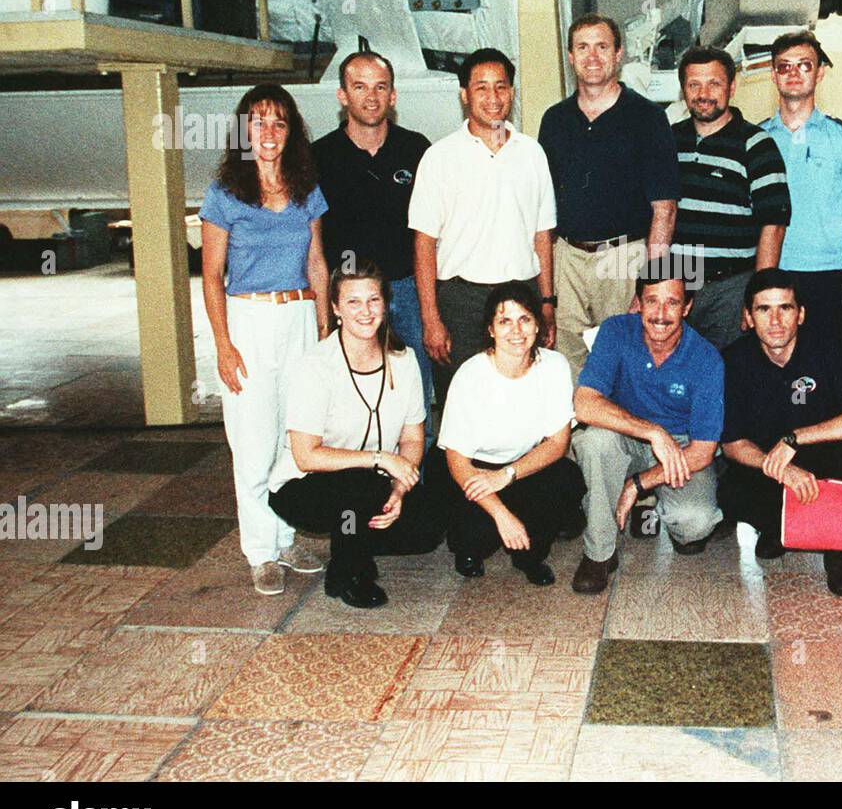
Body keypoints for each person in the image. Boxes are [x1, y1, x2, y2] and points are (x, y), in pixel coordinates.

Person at [200, 85, 331, 596]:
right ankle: (260, 550)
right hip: (249, 322)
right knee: (253, 443)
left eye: (279, 122)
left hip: (299, 316)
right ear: (242, 131)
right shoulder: (223, 194)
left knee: (294, 439)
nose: (269, 132)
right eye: (258, 122)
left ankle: (286, 535)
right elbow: (211, 275)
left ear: (291, 130)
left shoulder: (306, 189)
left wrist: (323, 329)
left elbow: (318, 261)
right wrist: (224, 344)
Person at [268, 261, 446, 608]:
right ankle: (350, 571)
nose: (365, 312)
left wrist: (399, 486)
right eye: (353, 302)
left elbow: (412, 438)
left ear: (385, 304)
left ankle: (356, 538)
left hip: (375, 481)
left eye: (373, 300)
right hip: (304, 485)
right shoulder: (315, 365)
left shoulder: (405, 360)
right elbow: (306, 455)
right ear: (335, 308)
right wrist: (381, 460)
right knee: (359, 485)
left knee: (428, 522)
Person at [410, 48, 557, 415]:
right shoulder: (439, 157)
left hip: (521, 296)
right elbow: (424, 242)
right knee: (463, 404)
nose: (493, 98)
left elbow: (543, 235)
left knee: (520, 402)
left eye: (501, 87)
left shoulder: (533, 153)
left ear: (511, 91)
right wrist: (431, 318)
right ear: (464, 94)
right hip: (461, 302)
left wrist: (547, 303)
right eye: (481, 88)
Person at [719, 269, 842, 596]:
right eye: (764, 309)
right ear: (748, 317)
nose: (775, 320)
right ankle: (777, 526)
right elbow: (733, 445)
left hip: (825, 461)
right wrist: (780, 469)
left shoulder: (827, 350)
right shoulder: (733, 361)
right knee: (731, 492)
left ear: (801, 314)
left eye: (786, 308)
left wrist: (795, 438)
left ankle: (838, 549)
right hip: (771, 467)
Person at [570, 257, 724, 594]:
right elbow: (584, 404)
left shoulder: (707, 358)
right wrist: (653, 432)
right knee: (594, 442)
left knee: (694, 525)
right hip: (625, 436)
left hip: (680, 446)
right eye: (652, 301)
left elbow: (702, 451)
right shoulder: (615, 331)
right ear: (638, 303)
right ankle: (599, 554)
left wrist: (637, 484)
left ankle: (643, 497)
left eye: (672, 302)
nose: (660, 314)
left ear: (687, 308)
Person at [538, 14, 680, 377]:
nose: (593, 56)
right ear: (570, 56)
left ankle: (621, 433)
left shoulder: (648, 118)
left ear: (618, 54)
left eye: (602, 46)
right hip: (568, 256)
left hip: (624, 257)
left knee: (628, 358)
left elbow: (665, 210)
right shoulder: (553, 120)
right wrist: (546, 288)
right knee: (566, 357)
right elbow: (542, 209)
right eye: (582, 47)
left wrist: (650, 283)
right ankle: (576, 432)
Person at [435, 281, 586, 587]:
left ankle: (530, 555)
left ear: (537, 324)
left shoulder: (554, 366)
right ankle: (470, 545)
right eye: (504, 321)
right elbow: (457, 462)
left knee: (566, 481)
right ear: (490, 329)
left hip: (519, 466)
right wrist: (502, 513)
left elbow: (558, 443)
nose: (516, 331)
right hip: (473, 470)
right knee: (477, 534)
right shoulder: (471, 375)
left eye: (525, 319)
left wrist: (507, 475)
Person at [313, 50, 433, 410]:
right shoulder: (318, 156)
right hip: (349, 294)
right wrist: (324, 316)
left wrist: (431, 308)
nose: (371, 96)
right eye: (360, 86)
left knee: (415, 401)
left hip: (408, 291)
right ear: (342, 95)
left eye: (380, 87)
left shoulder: (417, 149)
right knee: (351, 401)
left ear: (393, 96)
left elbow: (432, 232)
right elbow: (313, 244)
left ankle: (416, 468)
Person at [759, 30, 842, 354]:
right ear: (773, 74)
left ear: (820, 72)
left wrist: (833, 252)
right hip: (770, 274)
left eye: (804, 65)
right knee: (771, 365)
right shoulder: (756, 140)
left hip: (825, 276)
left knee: (826, 369)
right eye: (784, 67)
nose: (794, 74)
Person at [670, 46, 791, 350]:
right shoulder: (667, 140)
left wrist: (757, 298)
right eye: (694, 84)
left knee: (728, 377)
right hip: (675, 286)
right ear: (683, 89)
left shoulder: (757, 144)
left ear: (732, 87)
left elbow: (773, 226)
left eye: (714, 83)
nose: (703, 93)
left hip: (730, 288)